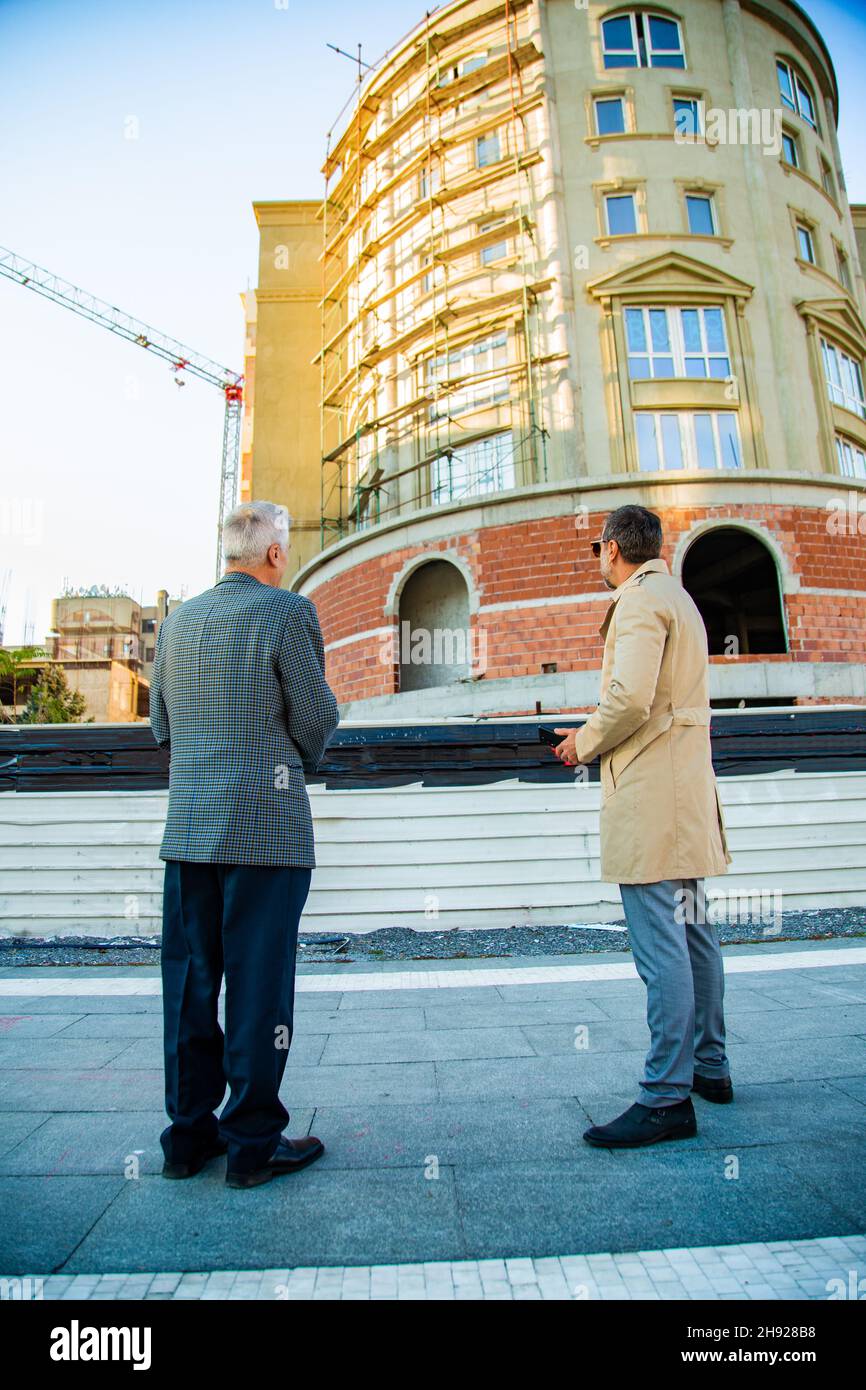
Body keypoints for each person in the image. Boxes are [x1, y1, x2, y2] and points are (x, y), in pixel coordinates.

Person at [149, 501, 339, 1188]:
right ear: (275, 554)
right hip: (265, 830)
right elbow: (317, 715)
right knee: (259, 988)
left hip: (189, 832)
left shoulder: (176, 623)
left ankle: (187, 1136)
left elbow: (161, 725)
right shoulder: (288, 613)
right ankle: (254, 1140)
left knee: (190, 985)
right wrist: (296, 761)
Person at [552, 504, 732, 1148]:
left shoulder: (635, 602)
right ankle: (710, 1067)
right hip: (687, 793)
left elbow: (628, 697)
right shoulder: (680, 599)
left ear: (610, 550)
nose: (597, 558)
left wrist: (583, 742)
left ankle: (664, 1097)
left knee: (662, 947)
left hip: (652, 796)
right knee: (695, 934)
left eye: (596, 548)